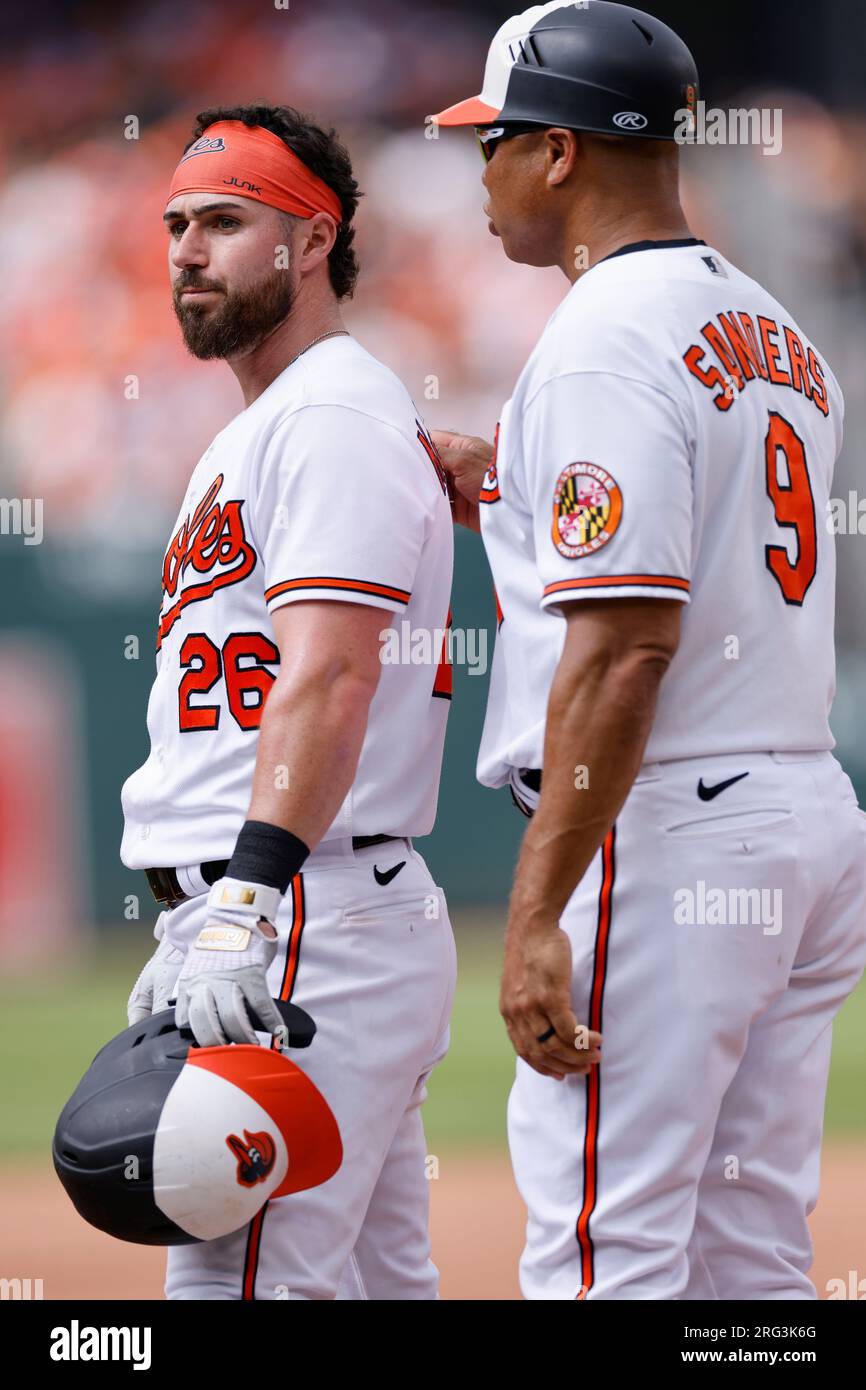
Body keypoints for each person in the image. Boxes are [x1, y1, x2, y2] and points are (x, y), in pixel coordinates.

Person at [430, 0, 866, 1300]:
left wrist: (531, 911)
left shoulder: (601, 336)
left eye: (494, 139)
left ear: (559, 153)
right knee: (748, 1267)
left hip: (672, 825)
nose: (480, 171)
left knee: (599, 1258)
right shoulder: (777, 333)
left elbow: (623, 648)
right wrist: (510, 474)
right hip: (802, 813)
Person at [122, 104, 456, 1300]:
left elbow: (330, 669)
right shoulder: (276, 422)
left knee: (237, 1285)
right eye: (175, 225)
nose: (186, 251)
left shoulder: (325, 412)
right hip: (294, 907)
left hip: (293, 910)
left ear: (312, 243)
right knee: (365, 1282)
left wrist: (244, 902)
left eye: (225, 221)